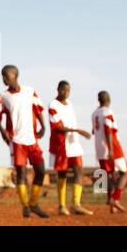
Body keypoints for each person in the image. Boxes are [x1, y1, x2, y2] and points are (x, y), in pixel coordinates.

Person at [0, 64, 49, 218]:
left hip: (32, 139)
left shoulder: (29, 91)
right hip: (16, 141)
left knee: (40, 171)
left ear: (14, 76)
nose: (4, 79)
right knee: (21, 173)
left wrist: (43, 126)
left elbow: (38, 109)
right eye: (2, 76)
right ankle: (25, 205)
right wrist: (2, 131)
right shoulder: (3, 96)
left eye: (6, 75)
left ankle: (34, 202)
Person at [47, 80, 92, 215]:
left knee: (79, 171)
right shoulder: (53, 105)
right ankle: (62, 205)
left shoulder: (70, 104)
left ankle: (76, 204)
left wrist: (76, 134)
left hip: (74, 144)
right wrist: (79, 131)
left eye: (68, 90)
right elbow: (58, 127)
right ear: (58, 89)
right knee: (62, 173)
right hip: (61, 144)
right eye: (63, 90)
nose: (66, 92)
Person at [91, 90, 127, 213]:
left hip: (99, 148)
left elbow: (94, 131)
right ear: (108, 98)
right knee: (126, 172)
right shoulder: (107, 112)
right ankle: (116, 199)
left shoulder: (94, 113)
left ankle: (111, 201)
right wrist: (111, 148)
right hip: (111, 146)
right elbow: (109, 130)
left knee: (108, 174)